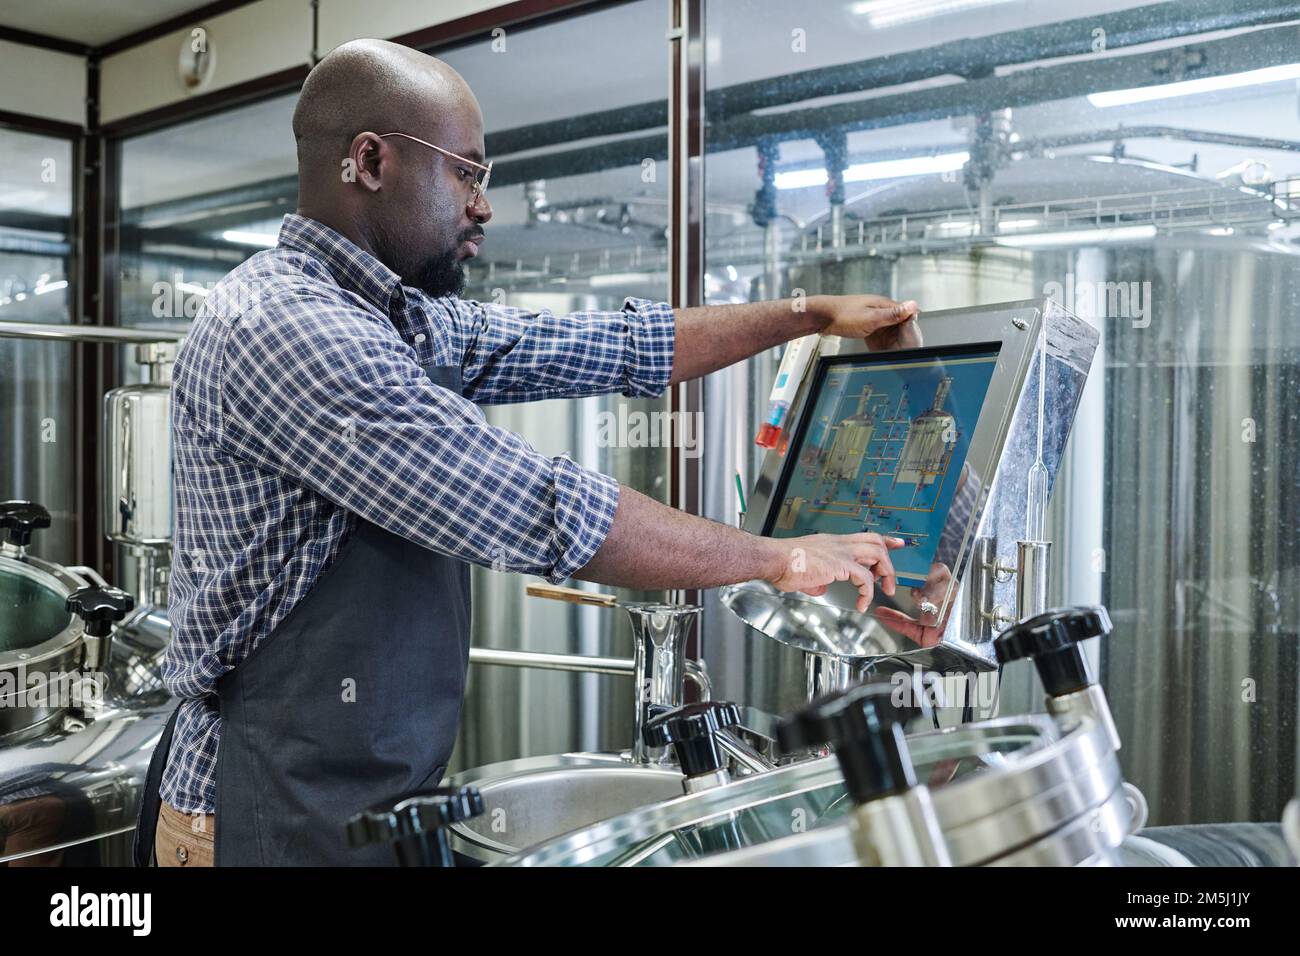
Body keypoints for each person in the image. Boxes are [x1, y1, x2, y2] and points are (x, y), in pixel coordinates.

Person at [147, 38, 922, 866]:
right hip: (262, 814)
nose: (482, 206)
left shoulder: (396, 317)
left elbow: (614, 345)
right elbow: (542, 507)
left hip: (356, 803)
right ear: (369, 161)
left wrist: (806, 317)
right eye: (466, 173)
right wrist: (779, 558)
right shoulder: (294, 329)